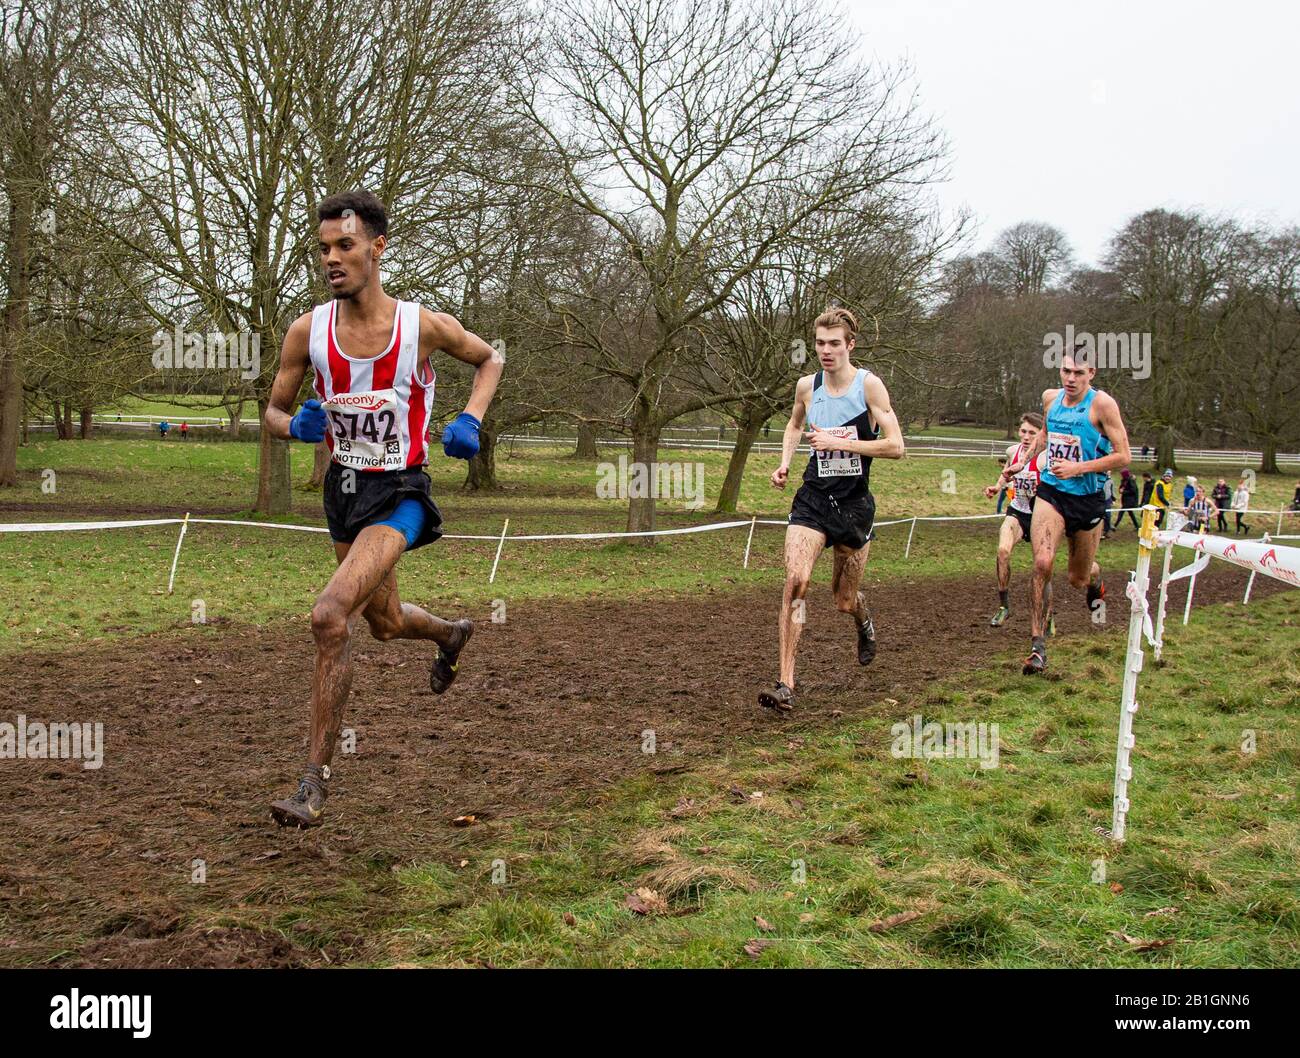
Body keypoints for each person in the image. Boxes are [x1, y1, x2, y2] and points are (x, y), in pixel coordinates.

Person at [264, 190, 502, 827]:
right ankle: (452, 634)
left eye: (344, 246)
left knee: (328, 614)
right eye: (323, 249)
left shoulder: (420, 325)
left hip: (401, 495)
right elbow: (271, 413)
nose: (332, 259)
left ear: (377, 248)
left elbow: (490, 358)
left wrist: (470, 418)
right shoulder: (306, 332)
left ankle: (312, 782)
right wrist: (297, 428)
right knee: (386, 622)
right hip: (343, 491)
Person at [761, 306, 904, 712]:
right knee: (796, 581)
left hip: (855, 506)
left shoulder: (869, 387)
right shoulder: (807, 386)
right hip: (813, 498)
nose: (826, 351)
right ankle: (786, 682)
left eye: (834, 344)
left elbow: (896, 446)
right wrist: (785, 461)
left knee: (843, 599)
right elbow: (793, 424)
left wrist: (844, 445)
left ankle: (863, 619)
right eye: (820, 343)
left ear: (850, 345)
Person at [1005, 344, 1132, 675]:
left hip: (1088, 498)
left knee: (1077, 577)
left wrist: (1078, 469)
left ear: (1091, 373)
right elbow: (1046, 435)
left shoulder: (1102, 405)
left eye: (1078, 373)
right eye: (1066, 371)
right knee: (1042, 562)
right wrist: (1023, 464)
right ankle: (1038, 647)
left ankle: (1095, 580)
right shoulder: (1051, 399)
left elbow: (1124, 456)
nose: (1071, 379)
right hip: (1052, 493)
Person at [984, 412, 1052, 632]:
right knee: (1003, 551)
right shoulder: (1012, 452)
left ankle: (1047, 616)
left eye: (1032, 433)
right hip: (1017, 511)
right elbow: (1007, 474)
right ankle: (1004, 606)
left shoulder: (1045, 458)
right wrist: (997, 486)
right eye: (1023, 431)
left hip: (1040, 517)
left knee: (1042, 569)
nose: (1025, 436)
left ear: (1040, 435)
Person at [1101, 471, 1115, 538]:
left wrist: (1113, 498)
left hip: (1108, 500)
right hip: (1100, 499)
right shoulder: (1100, 479)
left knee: (1108, 516)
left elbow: (1111, 490)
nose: (1109, 474)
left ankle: (1106, 531)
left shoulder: (1110, 481)